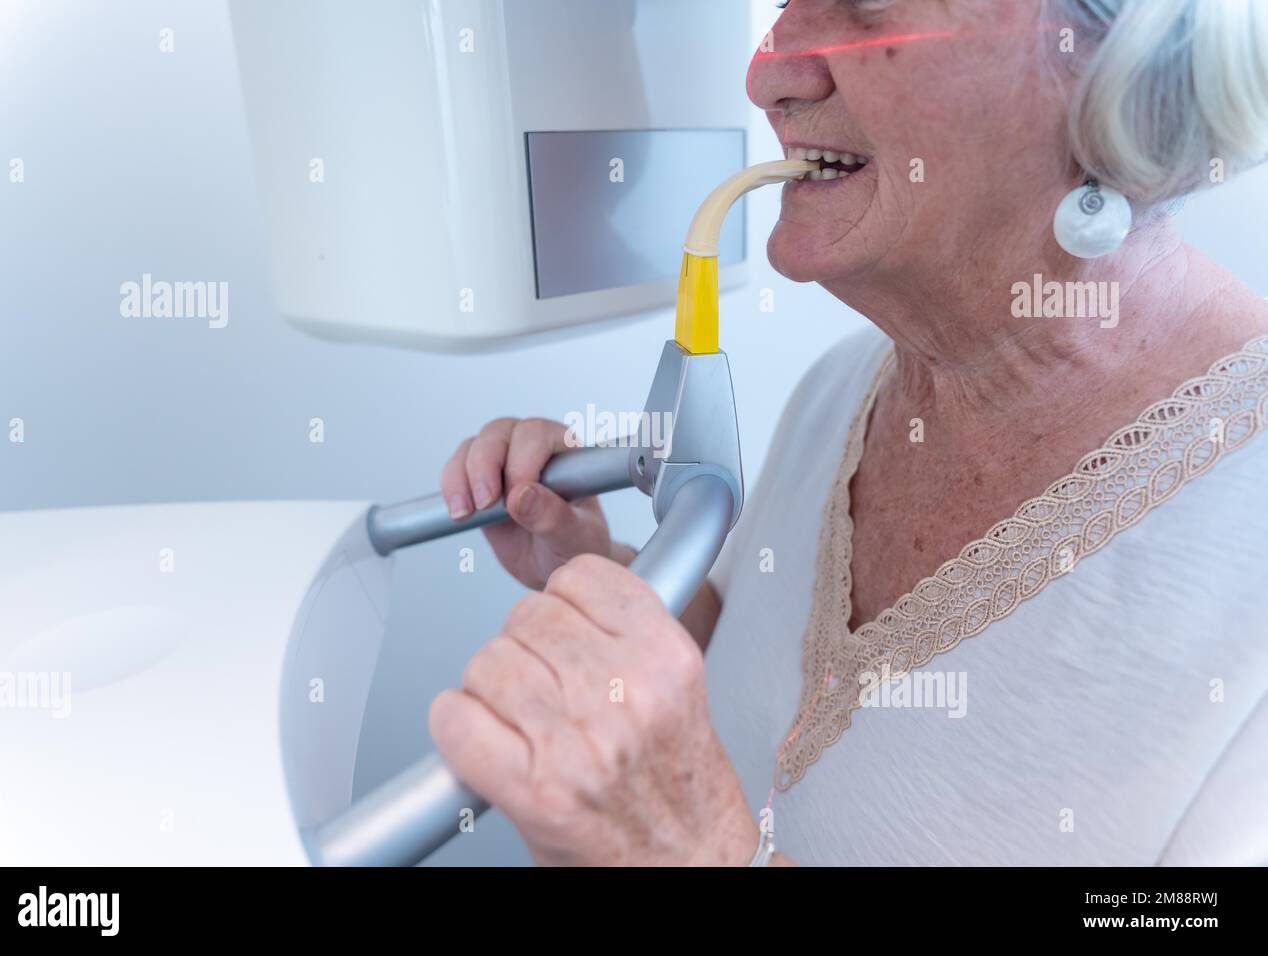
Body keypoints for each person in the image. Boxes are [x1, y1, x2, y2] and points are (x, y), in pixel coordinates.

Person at [429, 0, 1268, 865]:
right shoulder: (844, 386)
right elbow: (754, 673)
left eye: (867, 8)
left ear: (1123, 70)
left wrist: (698, 852)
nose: (766, 74)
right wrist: (602, 582)